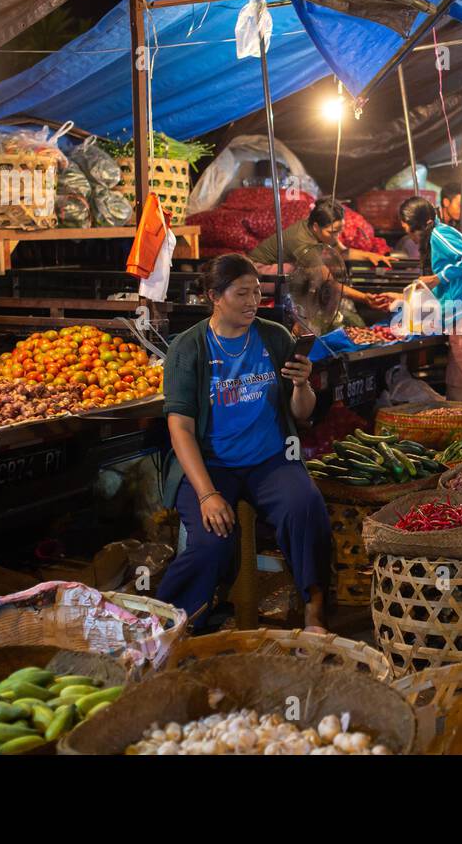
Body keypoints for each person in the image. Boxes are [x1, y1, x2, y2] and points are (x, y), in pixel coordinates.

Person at [156, 254, 330, 633]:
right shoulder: (188, 348)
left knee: (306, 506)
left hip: (270, 459)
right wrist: (206, 495)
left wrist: (302, 384)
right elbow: (181, 429)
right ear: (214, 296)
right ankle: (168, 624)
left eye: (256, 292)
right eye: (242, 293)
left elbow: (301, 414)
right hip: (211, 465)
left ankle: (314, 611)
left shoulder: (274, 337)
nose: (253, 302)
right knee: (211, 542)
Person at [391, 197, 462, 403]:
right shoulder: (446, 233)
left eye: (410, 232)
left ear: (422, 225)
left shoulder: (438, 234)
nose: (412, 239)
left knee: (457, 396)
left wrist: (437, 277)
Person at [248, 197, 393, 313]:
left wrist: (371, 256)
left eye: (339, 230)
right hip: (260, 275)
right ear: (316, 227)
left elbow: (342, 252)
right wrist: (364, 298)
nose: (336, 237)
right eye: (332, 232)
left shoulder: (314, 226)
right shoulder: (304, 243)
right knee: (312, 280)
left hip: (281, 269)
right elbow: (329, 282)